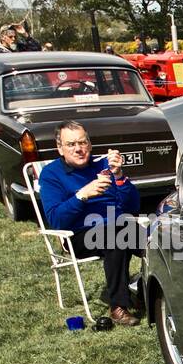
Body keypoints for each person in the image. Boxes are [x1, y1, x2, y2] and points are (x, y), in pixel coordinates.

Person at [39, 121, 142, 327]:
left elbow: (133, 205)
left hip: (119, 225)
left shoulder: (104, 166)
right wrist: (82, 195)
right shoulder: (51, 175)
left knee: (158, 237)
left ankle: (156, 290)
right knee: (116, 235)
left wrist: (120, 177)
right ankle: (118, 306)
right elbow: (56, 220)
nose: (78, 148)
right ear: (60, 148)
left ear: (90, 144)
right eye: (71, 144)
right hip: (78, 234)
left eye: (83, 142)